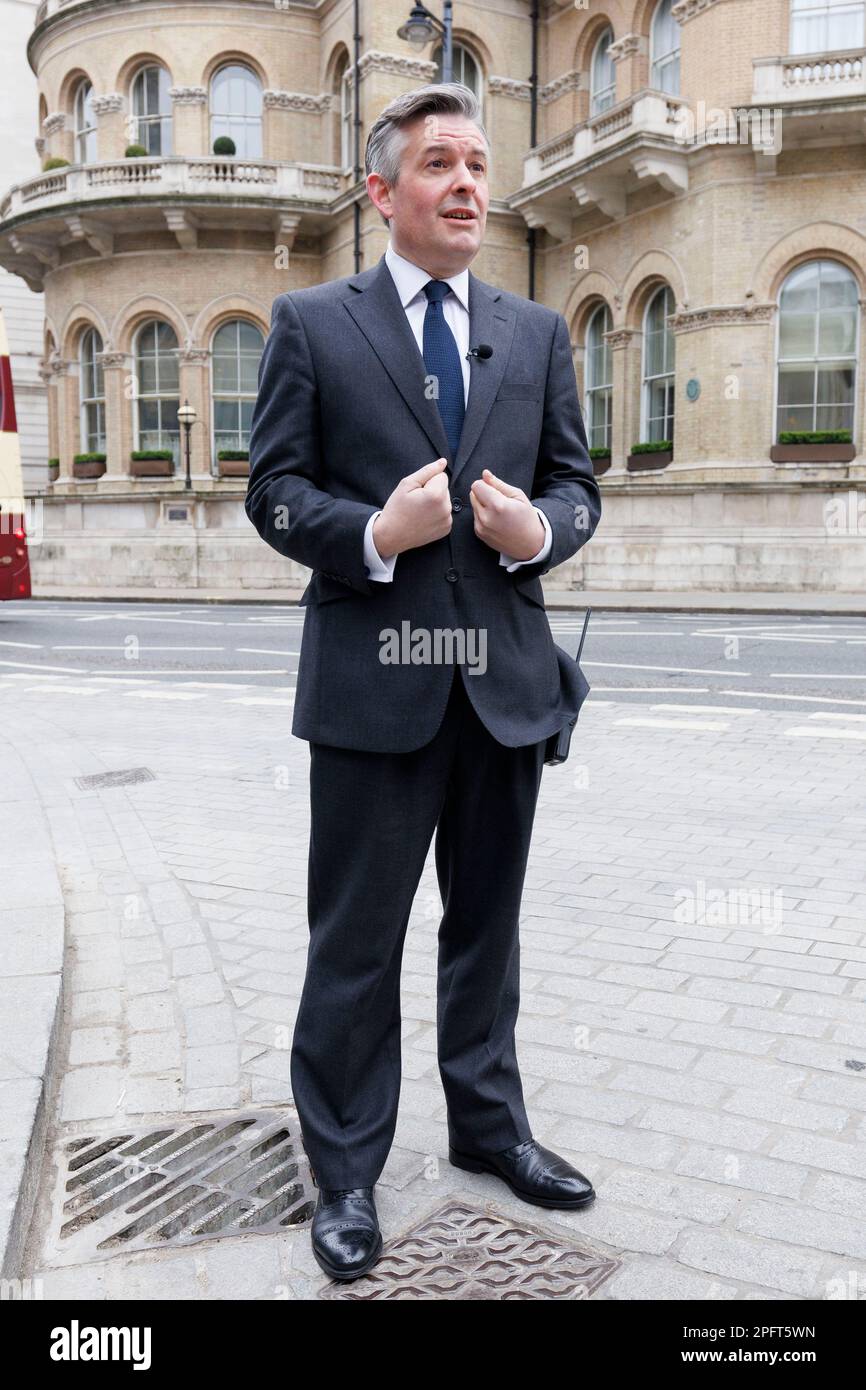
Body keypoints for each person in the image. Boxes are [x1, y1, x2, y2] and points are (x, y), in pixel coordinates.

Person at [245, 82, 602, 1282]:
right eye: (439, 162)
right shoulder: (312, 322)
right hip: (373, 690)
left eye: (477, 164)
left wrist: (536, 534)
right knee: (355, 942)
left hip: (502, 687)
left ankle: (489, 1128)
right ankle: (346, 1170)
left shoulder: (533, 331)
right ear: (381, 189)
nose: (465, 184)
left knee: (486, 931)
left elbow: (575, 487)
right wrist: (374, 533)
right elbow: (272, 493)